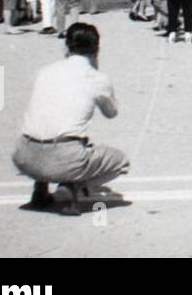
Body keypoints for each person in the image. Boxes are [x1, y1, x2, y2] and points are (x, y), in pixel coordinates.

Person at [11, 23, 129, 215]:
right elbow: (111, 113)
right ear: (96, 50)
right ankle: (72, 186)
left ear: (66, 47)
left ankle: (40, 186)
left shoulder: (45, 71)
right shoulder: (97, 78)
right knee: (120, 162)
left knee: (50, 123)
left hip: (24, 155)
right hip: (65, 156)